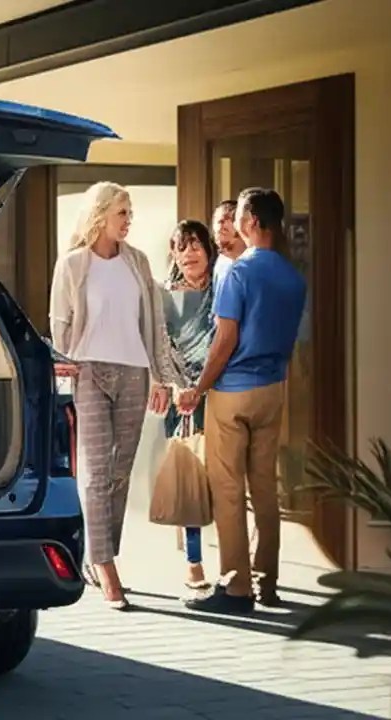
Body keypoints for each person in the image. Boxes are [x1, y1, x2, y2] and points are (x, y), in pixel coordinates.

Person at [49, 181, 186, 611]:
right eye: (122, 213)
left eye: (130, 213)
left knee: (120, 471)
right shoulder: (73, 264)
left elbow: (155, 325)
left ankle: (99, 552)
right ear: (101, 214)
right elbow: (60, 324)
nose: (129, 221)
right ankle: (105, 566)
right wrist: (66, 367)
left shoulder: (138, 262)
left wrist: (161, 379)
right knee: (94, 472)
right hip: (89, 372)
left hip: (134, 372)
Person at [178, 187, 306, 614]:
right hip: (273, 390)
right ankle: (267, 583)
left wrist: (199, 388)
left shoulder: (238, 272)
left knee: (229, 490)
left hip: (233, 392)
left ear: (251, 222)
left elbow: (224, 341)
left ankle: (236, 588)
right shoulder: (294, 278)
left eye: (239, 218)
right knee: (265, 488)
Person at [158, 220, 219, 590]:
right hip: (181, 398)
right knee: (189, 476)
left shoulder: (224, 288)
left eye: (196, 245)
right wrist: (179, 387)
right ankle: (194, 563)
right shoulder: (165, 297)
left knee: (223, 477)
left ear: (209, 250)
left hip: (221, 391)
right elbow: (160, 348)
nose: (189, 254)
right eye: (182, 247)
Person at [211, 199, 244, 295]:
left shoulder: (255, 262)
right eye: (217, 219)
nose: (220, 222)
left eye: (229, 217)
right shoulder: (221, 262)